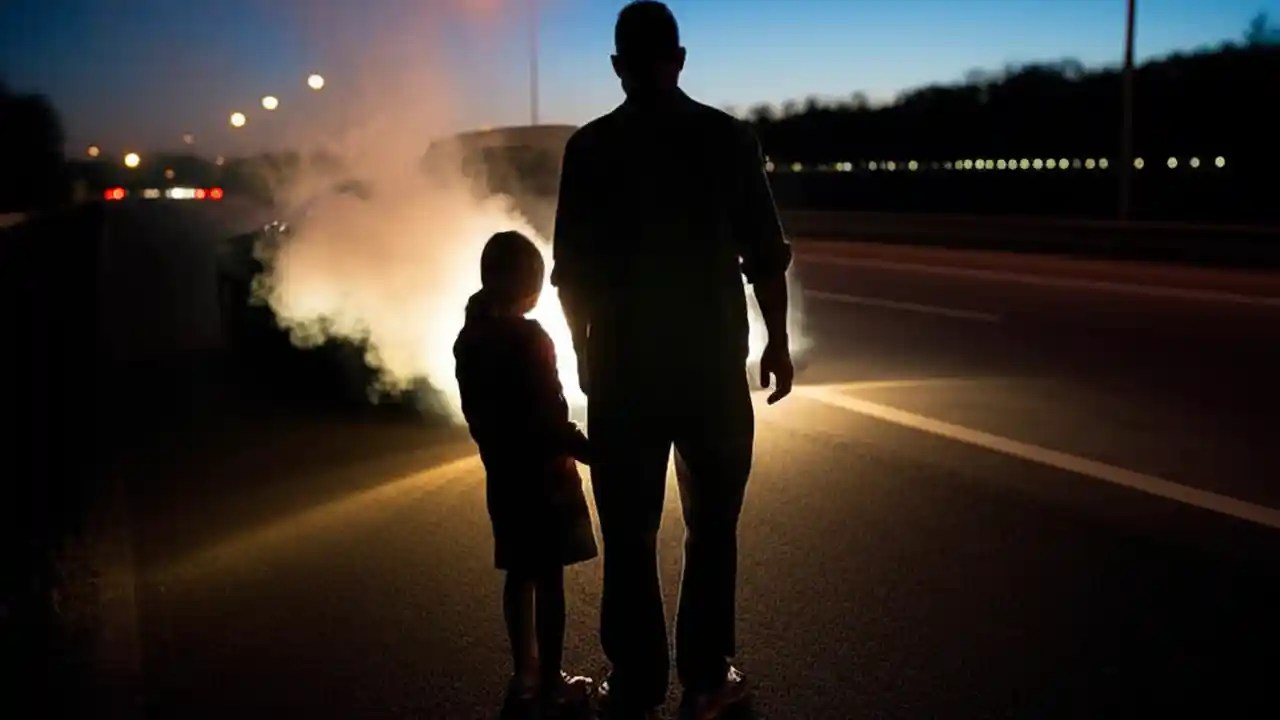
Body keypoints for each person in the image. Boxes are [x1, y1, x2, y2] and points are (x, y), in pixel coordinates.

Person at [551, 2, 794, 717]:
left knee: (629, 534)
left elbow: (573, 274)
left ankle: (635, 682)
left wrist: (583, 360)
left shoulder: (590, 149)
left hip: (624, 372)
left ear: (619, 67)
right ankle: (707, 679)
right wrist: (776, 342)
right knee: (713, 528)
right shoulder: (728, 139)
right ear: (680, 59)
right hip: (712, 367)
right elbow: (766, 256)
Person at [453, 230, 598, 718]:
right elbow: (549, 414)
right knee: (551, 578)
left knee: (519, 574)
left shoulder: (468, 339)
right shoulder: (530, 339)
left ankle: (524, 675)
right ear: (529, 287)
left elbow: (478, 414)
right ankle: (554, 681)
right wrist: (584, 448)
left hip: (504, 476)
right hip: (546, 479)